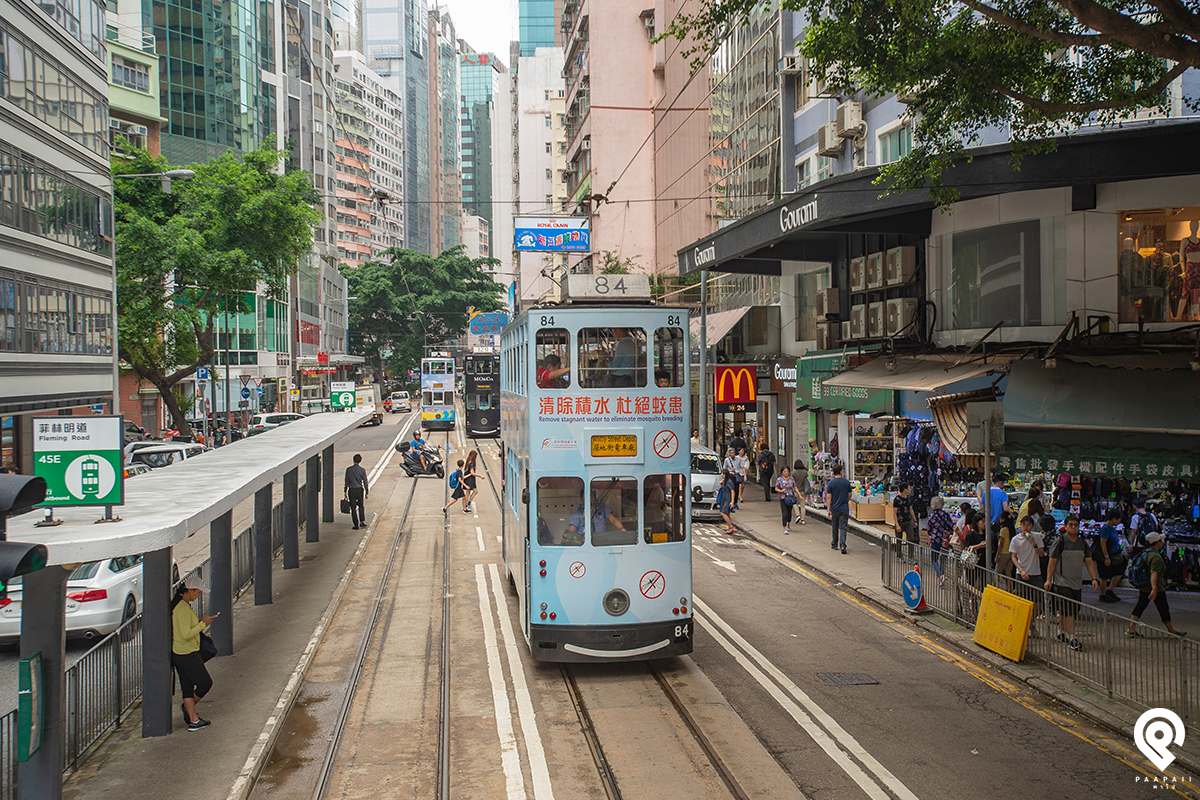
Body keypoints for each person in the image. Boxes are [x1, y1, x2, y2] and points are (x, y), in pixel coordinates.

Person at [1044, 515, 1101, 652]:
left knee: (1071, 610)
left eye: (1076, 525)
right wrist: (1048, 579)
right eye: (1071, 525)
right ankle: (1072, 637)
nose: (1074, 527)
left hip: (1077, 582)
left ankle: (1061, 632)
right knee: (1069, 610)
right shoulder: (1060, 542)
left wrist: (1094, 578)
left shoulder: (1083, 543)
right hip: (1062, 582)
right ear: (1066, 526)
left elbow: (1088, 560)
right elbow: (1052, 562)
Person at [171, 581, 217, 731]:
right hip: (188, 653)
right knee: (205, 683)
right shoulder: (182, 609)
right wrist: (203, 624)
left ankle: (193, 721)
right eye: (198, 592)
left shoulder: (181, 606)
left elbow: (184, 628)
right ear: (190, 590)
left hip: (179, 653)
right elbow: (186, 634)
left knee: (187, 687)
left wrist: (200, 621)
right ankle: (188, 708)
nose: (199, 595)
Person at [1127, 532, 1186, 638]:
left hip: (1145, 585)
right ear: (1156, 542)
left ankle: (1131, 629)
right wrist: (1154, 589)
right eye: (1160, 540)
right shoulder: (1156, 557)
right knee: (1163, 609)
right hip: (1156, 587)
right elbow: (1154, 573)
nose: (1162, 542)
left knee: (1140, 606)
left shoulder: (1146, 553)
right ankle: (1171, 631)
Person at [1010, 515, 1046, 629]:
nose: (1026, 527)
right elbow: (1014, 557)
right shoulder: (1015, 539)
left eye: (1029, 525)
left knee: (1039, 601)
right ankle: (1022, 625)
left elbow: (1041, 553)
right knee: (1021, 600)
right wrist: (1021, 570)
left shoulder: (1037, 537)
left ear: (1033, 526)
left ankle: (1031, 621)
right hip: (1021, 573)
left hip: (1035, 572)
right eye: (1024, 524)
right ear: (1020, 525)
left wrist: (1033, 543)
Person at [1095, 508, 1127, 603]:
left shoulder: (1111, 528)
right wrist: (1106, 557)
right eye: (1118, 520)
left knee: (1119, 572)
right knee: (1104, 576)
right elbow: (1103, 544)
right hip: (1108, 556)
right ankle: (1102, 595)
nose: (1119, 522)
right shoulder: (1105, 529)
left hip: (1115, 555)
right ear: (1113, 519)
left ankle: (1110, 590)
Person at [926, 496, 954, 585]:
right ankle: (942, 574)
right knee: (943, 559)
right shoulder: (946, 515)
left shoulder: (932, 516)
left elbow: (929, 529)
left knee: (934, 560)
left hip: (935, 539)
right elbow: (951, 526)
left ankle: (940, 575)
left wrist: (932, 534)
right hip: (945, 540)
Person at [825, 464, 851, 553]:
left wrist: (828, 509)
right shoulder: (846, 482)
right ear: (841, 472)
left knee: (835, 526)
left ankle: (834, 543)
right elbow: (849, 494)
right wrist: (845, 500)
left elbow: (829, 497)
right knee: (843, 527)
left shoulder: (831, 483)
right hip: (844, 508)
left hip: (834, 508)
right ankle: (842, 544)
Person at [892, 482, 916, 562]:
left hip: (908, 520)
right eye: (908, 488)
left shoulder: (909, 498)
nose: (910, 489)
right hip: (900, 521)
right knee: (899, 540)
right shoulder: (897, 499)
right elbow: (894, 513)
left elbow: (911, 510)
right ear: (904, 489)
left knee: (911, 538)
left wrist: (914, 520)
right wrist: (897, 524)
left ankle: (911, 557)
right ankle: (899, 556)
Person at [344, 454, 369, 530]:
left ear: (353, 460)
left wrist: (345, 491)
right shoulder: (362, 470)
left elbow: (346, 481)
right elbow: (365, 481)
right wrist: (367, 492)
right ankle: (362, 521)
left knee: (353, 507)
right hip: (359, 490)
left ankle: (356, 524)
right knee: (361, 506)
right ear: (360, 461)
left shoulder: (349, 470)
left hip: (352, 490)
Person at [994, 509, 1017, 580]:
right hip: (1011, 553)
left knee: (997, 572)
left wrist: (997, 555)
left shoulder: (1003, 530)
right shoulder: (1012, 529)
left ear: (1003, 520)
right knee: (1008, 572)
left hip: (1003, 553)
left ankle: (994, 586)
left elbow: (1001, 543)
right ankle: (1009, 586)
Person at [775, 466, 797, 534]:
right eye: (784, 471)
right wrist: (781, 491)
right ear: (782, 472)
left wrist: (799, 494)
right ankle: (784, 527)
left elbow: (795, 487)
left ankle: (788, 524)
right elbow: (776, 488)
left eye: (787, 471)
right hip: (783, 498)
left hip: (790, 497)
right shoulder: (779, 480)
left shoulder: (791, 479)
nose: (786, 473)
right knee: (784, 513)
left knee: (789, 513)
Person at [718, 467, 737, 535]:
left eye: (722, 474)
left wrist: (732, 501)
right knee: (727, 513)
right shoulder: (725, 481)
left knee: (723, 513)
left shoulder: (729, 482)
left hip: (727, 499)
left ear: (725, 474)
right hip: (724, 499)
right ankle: (729, 527)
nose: (721, 475)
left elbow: (732, 491)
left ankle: (731, 526)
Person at [792, 460, 810, 525]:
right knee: (803, 506)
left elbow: (792, 482)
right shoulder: (805, 472)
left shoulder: (793, 473)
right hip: (803, 491)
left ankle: (798, 515)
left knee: (795, 504)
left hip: (796, 491)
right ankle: (803, 520)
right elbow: (808, 481)